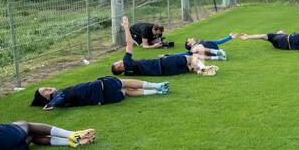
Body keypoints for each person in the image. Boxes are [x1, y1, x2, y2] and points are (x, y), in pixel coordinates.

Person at [111, 16, 218, 76]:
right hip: (162, 63)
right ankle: (204, 68)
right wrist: (126, 27)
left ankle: (201, 71)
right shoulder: (126, 62)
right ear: (120, 67)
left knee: (189, 67)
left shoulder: (128, 73)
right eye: (118, 62)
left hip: (164, 73)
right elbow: (129, 43)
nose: (120, 60)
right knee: (191, 58)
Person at [32, 76, 167, 110]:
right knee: (124, 82)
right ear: (45, 98)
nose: (48, 88)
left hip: (103, 99)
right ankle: (156, 86)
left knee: (125, 92)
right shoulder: (58, 95)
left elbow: (60, 99)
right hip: (101, 87)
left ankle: (156, 92)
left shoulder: (61, 100)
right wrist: (52, 104)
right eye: (44, 91)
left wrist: (53, 104)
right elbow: (59, 97)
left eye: (46, 87)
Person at [232, 30, 299, 51]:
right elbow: (261, 35)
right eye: (281, 30)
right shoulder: (272, 35)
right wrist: (248, 36)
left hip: (292, 48)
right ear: (279, 32)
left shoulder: (274, 42)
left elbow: (261, 36)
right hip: (291, 38)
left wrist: (249, 37)